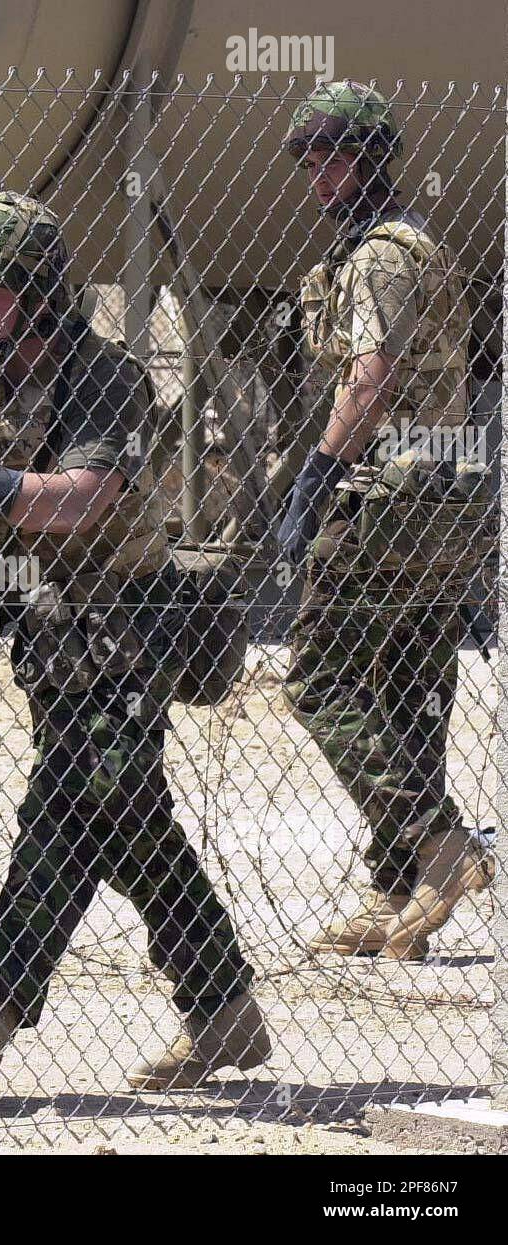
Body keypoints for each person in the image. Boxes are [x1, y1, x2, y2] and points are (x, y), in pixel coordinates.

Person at [0, 191, 268, 1096]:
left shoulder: (104, 376)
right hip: (44, 630)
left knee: (71, 799)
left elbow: (79, 498)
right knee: (129, 822)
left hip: (129, 626)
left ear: (29, 291)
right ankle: (225, 1010)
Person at [278, 82, 495, 961]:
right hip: (449, 496)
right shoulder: (424, 248)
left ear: (371, 158)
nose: (320, 174)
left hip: (390, 495)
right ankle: (394, 890)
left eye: (335, 155)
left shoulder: (376, 258)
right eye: (312, 159)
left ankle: (440, 846)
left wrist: (311, 480)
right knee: (407, 691)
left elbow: (368, 378)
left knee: (319, 678)